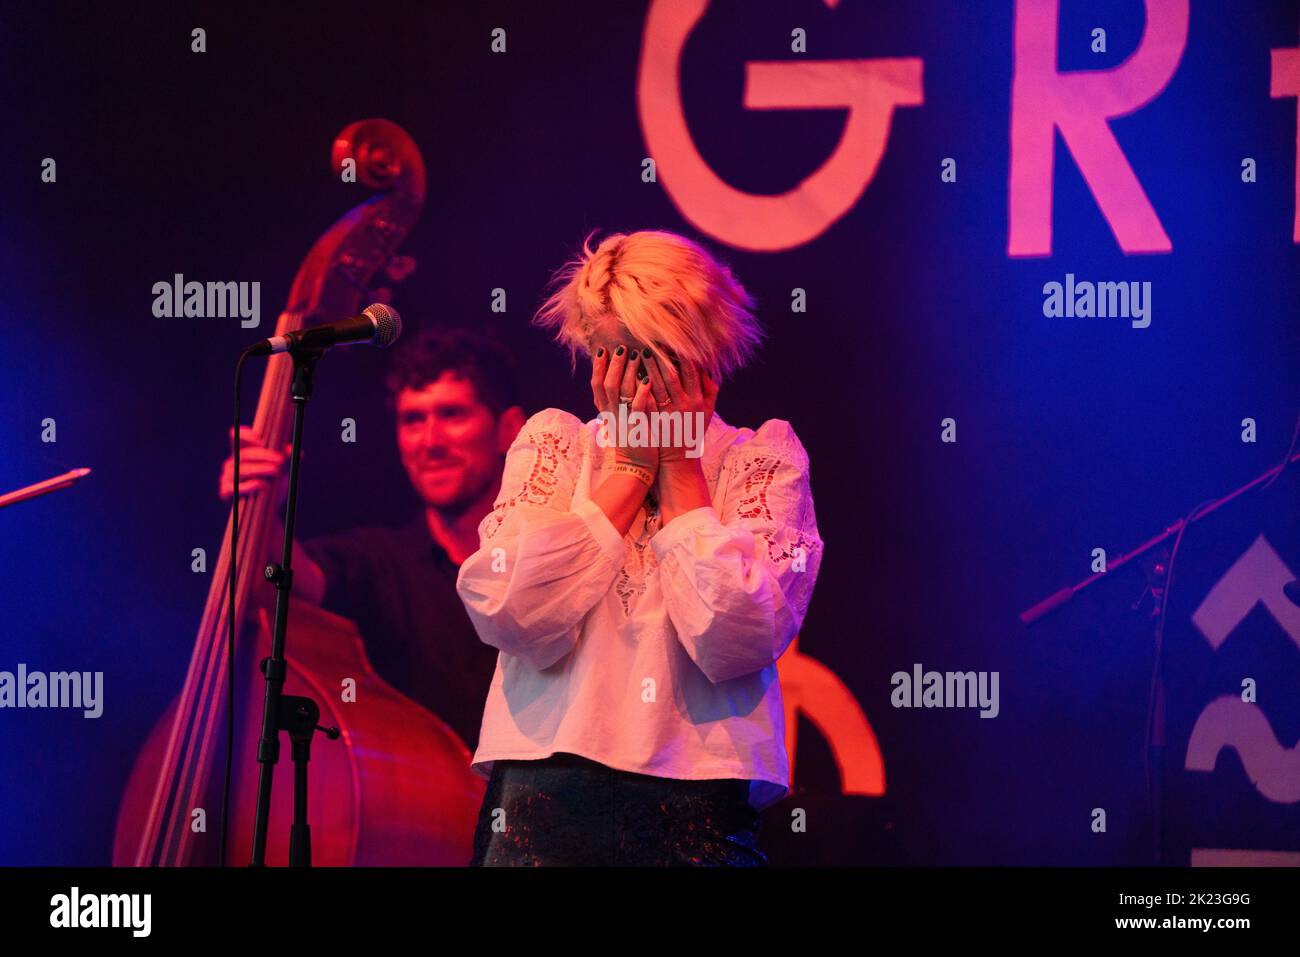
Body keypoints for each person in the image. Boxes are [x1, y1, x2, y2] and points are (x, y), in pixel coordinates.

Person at [457, 229, 824, 866]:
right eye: (616, 356)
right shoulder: (558, 443)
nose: (639, 383)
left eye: (656, 357)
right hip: (540, 793)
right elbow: (507, 608)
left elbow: (738, 635)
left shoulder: (760, 458)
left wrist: (682, 469)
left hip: (699, 801)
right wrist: (626, 469)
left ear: (705, 354)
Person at [218, 326, 525, 752]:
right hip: (423, 814)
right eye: (413, 420)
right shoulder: (379, 560)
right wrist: (260, 510)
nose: (430, 442)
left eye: (452, 414)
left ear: (510, 430)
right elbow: (291, 578)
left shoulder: (549, 555)